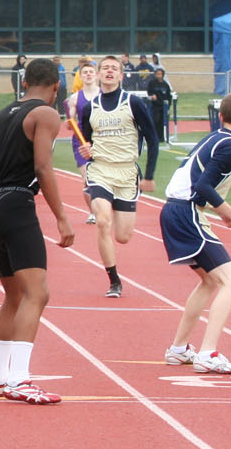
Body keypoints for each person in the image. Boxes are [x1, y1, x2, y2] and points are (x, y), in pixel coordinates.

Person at [0, 57, 75, 405]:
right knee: (37, 293)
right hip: (17, 203)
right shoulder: (46, 114)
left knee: (14, 296)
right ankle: (19, 379)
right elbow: (43, 167)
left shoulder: (2, 114)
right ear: (56, 87)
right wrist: (62, 217)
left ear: (23, 82)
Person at [160, 92, 231, 375]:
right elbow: (202, 187)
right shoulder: (229, 145)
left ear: (220, 116)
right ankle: (208, 354)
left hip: (175, 210)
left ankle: (179, 349)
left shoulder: (214, 137)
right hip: (186, 212)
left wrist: (222, 213)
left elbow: (198, 183)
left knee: (209, 281)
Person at [77, 55, 160, 298]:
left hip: (127, 173)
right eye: (105, 68)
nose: (109, 71)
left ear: (121, 75)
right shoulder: (89, 108)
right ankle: (114, 280)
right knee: (103, 221)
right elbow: (87, 140)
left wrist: (149, 176)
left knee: (123, 236)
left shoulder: (133, 103)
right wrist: (87, 149)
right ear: (99, 74)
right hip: (100, 171)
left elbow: (153, 140)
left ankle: (115, 205)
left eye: (114, 68)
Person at [66, 61, 100, 225]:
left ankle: (104, 207)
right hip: (81, 140)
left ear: (96, 75)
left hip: (101, 139)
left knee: (102, 178)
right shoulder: (75, 98)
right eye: (84, 72)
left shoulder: (104, 95)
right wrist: (69, 122)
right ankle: (93, 212)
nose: (88, 75)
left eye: (90, 72)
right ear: (80, 76)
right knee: (87, 179)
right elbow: (70, 121)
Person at [146, 68, 173, 143]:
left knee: (162, 122)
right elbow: (149, 92)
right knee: (155, 121)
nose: (159, 75)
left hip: (163, 106)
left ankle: (161, 138)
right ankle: (154, 137)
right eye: (157, 74)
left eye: (160, 74)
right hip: (155, 106)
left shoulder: (165, 85)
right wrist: (152, 95)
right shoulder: (152, 83)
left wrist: (168, 105)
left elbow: (168, 95)